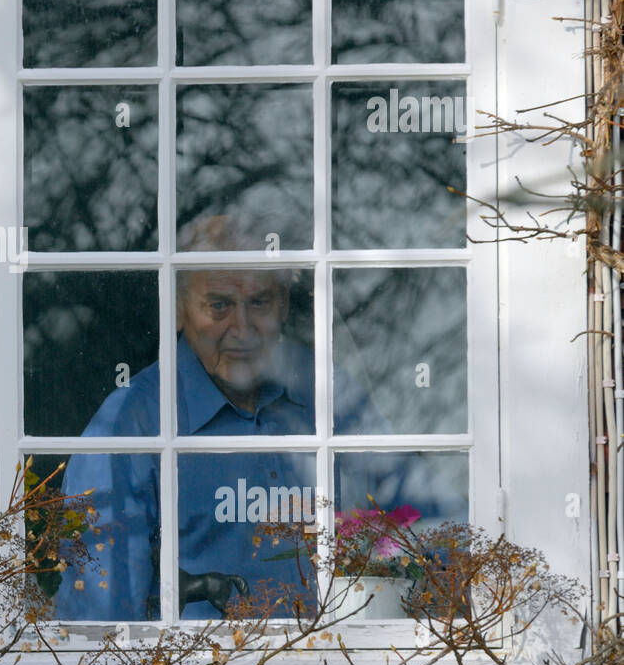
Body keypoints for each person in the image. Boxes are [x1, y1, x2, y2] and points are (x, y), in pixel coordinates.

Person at [55, 214, 384, 621]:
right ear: (177, 309)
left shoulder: (328, 401)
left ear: (282, 304)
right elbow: (100, 629)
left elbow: (417, 531)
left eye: (259, 302)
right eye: (219, 305)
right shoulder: (129, 425)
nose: (242, 328)